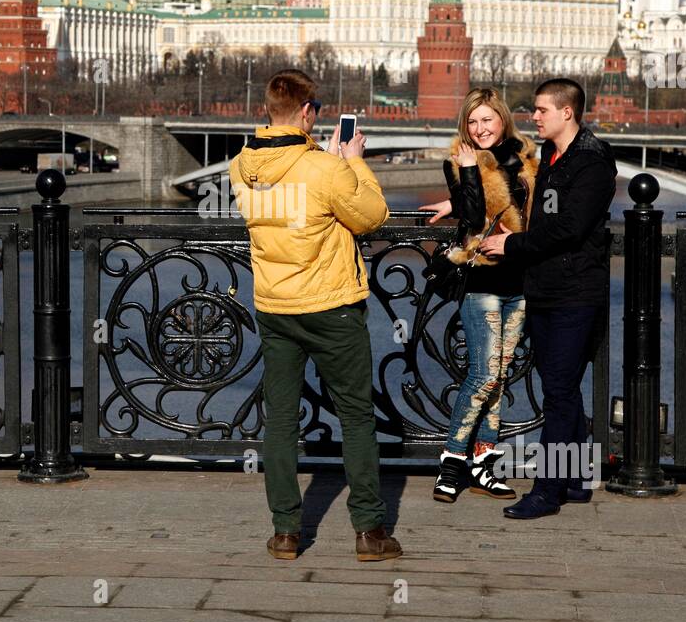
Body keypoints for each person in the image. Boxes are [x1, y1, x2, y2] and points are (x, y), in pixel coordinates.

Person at [228, 68, 402, 563]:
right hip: (331, 306)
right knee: (355, 415)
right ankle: (369, 532)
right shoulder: (323, 168)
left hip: (274, 306)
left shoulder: (241, 166)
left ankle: (286, 531)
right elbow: (371, 217)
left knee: (280, 419)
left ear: (269, 109)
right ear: (307, 113)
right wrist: (353, 163)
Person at [480, 78, 616, 519]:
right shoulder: (552, 159)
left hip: (574, 292)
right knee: (564, 388)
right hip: (547, 288)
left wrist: (513, 247)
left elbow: (570, 229)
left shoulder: (591, 162)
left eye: (541, 110)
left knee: (557, 392)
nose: (534, 117)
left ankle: (548, 489)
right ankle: (576, 479)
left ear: (566, 113)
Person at [418, 87, 539, 503]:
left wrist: (452, 201)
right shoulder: (460, 161)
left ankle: (483, 466)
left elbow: (535, 210)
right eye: (472, 121)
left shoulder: (526, 158)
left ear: (502, 119)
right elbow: (473, 221)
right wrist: (467, 176)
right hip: (484, 281)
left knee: (499, 377)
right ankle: (452, 462)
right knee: (482, 374)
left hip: (520, 282)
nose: (480, 128)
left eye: (487, 119)